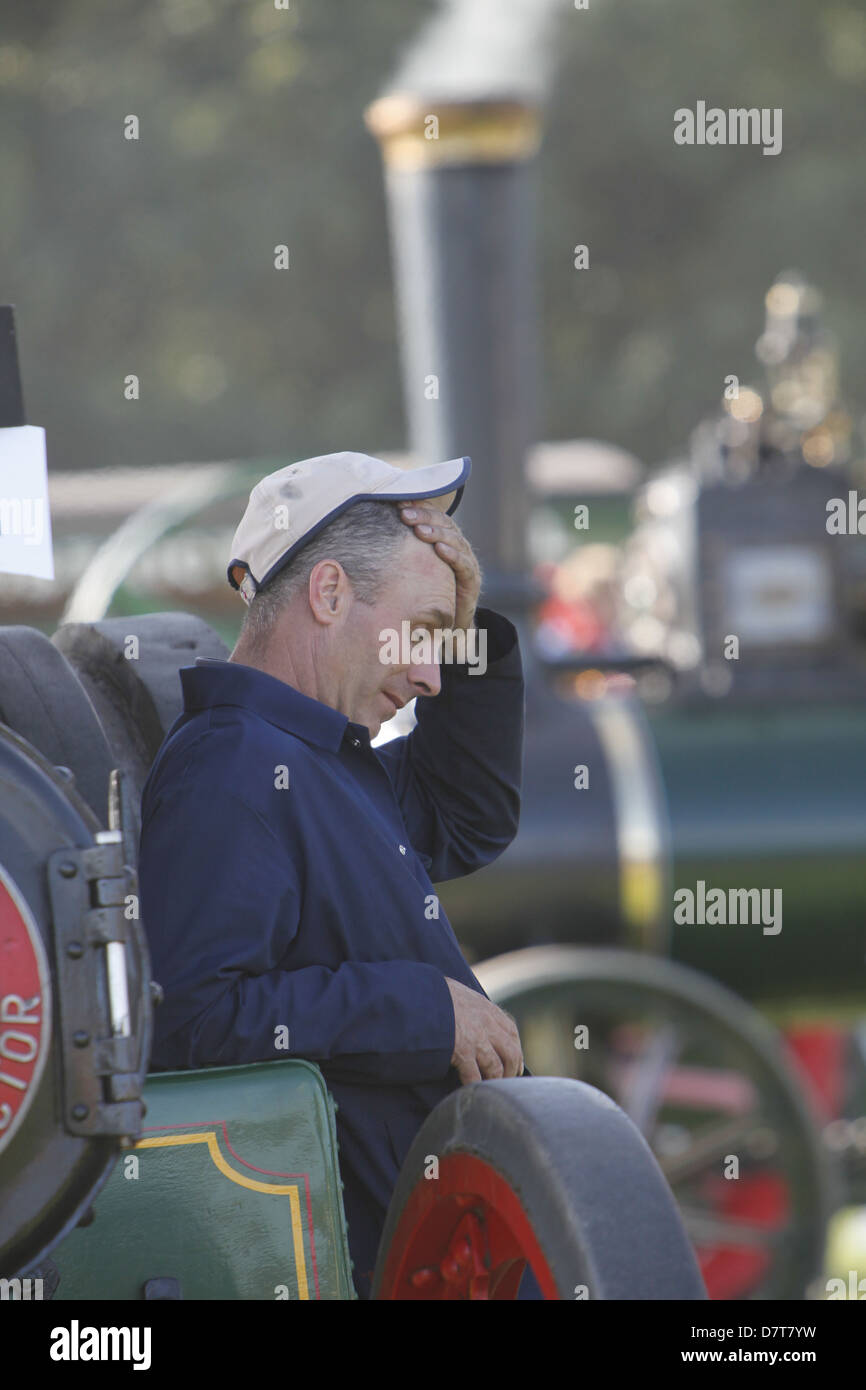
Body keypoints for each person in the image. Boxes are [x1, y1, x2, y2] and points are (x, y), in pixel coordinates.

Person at [138, 450, 528, 1300]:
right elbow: (189, 1023)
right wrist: (426, 1010)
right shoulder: (234, 767)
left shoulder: (308, 759)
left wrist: (470, 628)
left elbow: (468, 816)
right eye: (423, 633)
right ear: (327, 594)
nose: (432, 675)